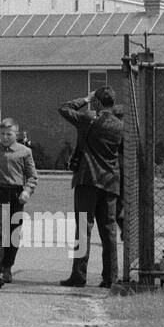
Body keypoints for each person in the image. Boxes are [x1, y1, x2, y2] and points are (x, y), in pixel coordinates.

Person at [58, 87, 125, 289]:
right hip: (110, 182)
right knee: (109, 232)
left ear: (96, 103)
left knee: (84, 230)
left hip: (88, 179)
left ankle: (79, 276)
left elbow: (64, 108)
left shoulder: (88, 120)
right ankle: (110, 277)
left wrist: (85, 98)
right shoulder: (120, 126)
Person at [0, 117, 37, 288]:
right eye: (2, 134)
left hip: (16, 195)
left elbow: (32, 176)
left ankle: (8, 266)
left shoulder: (25, 152)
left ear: (16, 134)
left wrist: (27, 190)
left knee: (13, 234)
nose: (4, 137)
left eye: (8, 134)